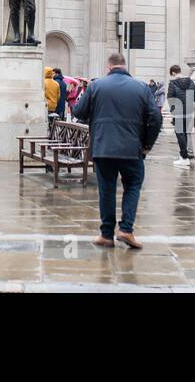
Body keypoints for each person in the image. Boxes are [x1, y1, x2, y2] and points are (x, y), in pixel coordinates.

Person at [72, 52, 161, 250]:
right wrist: (147, 143)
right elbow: (156, 117)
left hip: (103, 148)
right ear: (124, 66)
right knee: (133, 186)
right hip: (132, 149)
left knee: (107, 189)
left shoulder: (96, 86)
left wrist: (82, 91)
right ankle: (126, 230)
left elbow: (78, 112)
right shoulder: (142, 87)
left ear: (108, 68)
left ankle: (106, 235)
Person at [166, 64, 195, 166]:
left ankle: (184, 157)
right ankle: (184, 156)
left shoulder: (173, 83)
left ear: (174, 73)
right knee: (184, 133)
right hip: (189, 111)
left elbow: (170, 99)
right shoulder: (190, 81)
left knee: (180, 133)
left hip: (178, 112)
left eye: (172, 74)